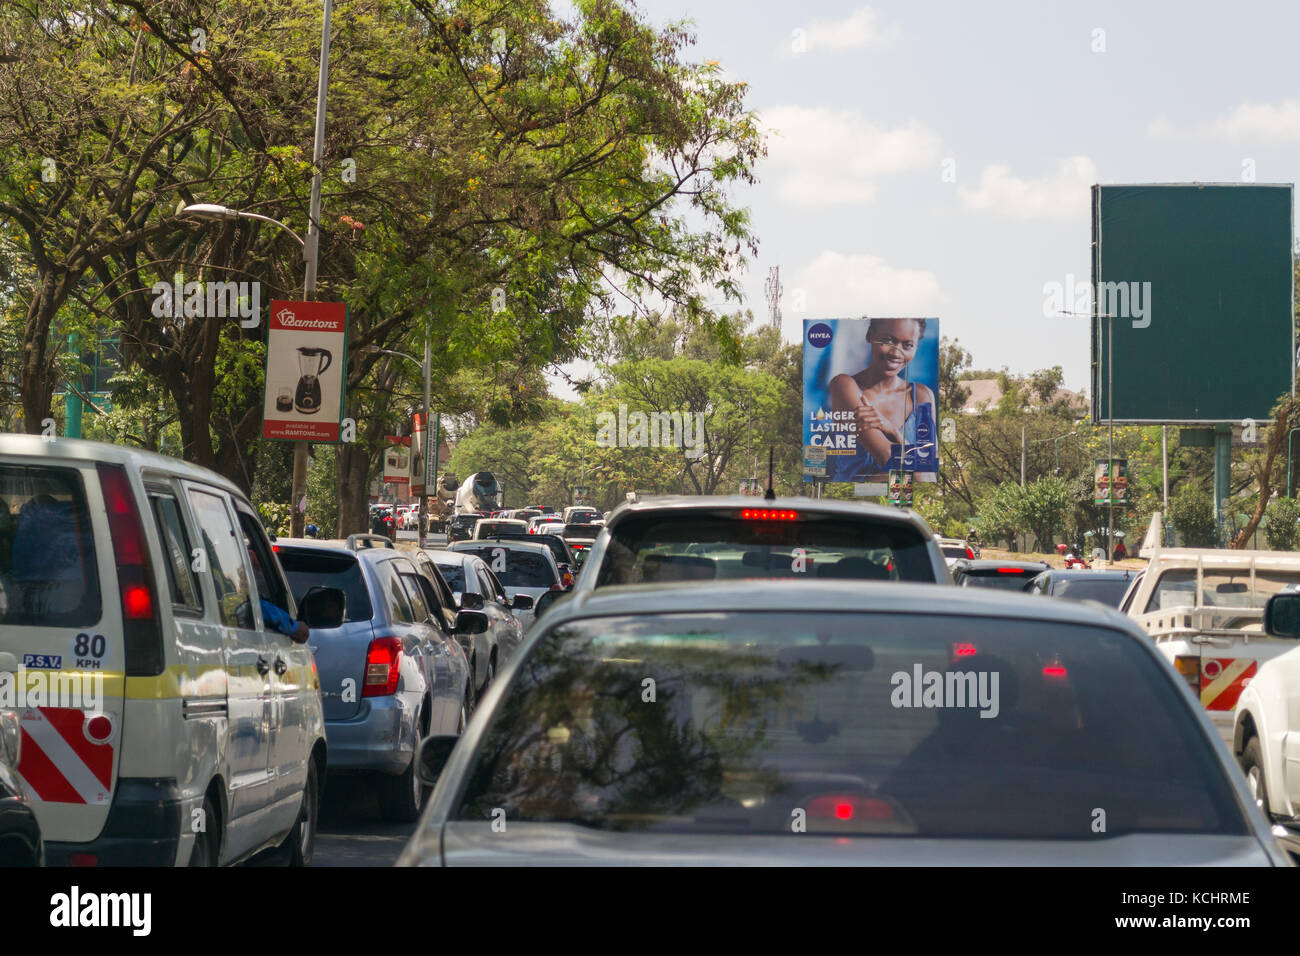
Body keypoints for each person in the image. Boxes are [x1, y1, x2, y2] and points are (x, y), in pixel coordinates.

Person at [828, 318, 936, 482]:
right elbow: (887, 457)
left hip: (903, 496)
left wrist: (893, 431)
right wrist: (917, 468)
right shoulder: (844, 385)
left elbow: (930, 474)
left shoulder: (923, 395)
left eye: (907, 345)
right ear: (870, 335)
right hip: (852, 495)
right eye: (888, 340)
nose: (896, 353)